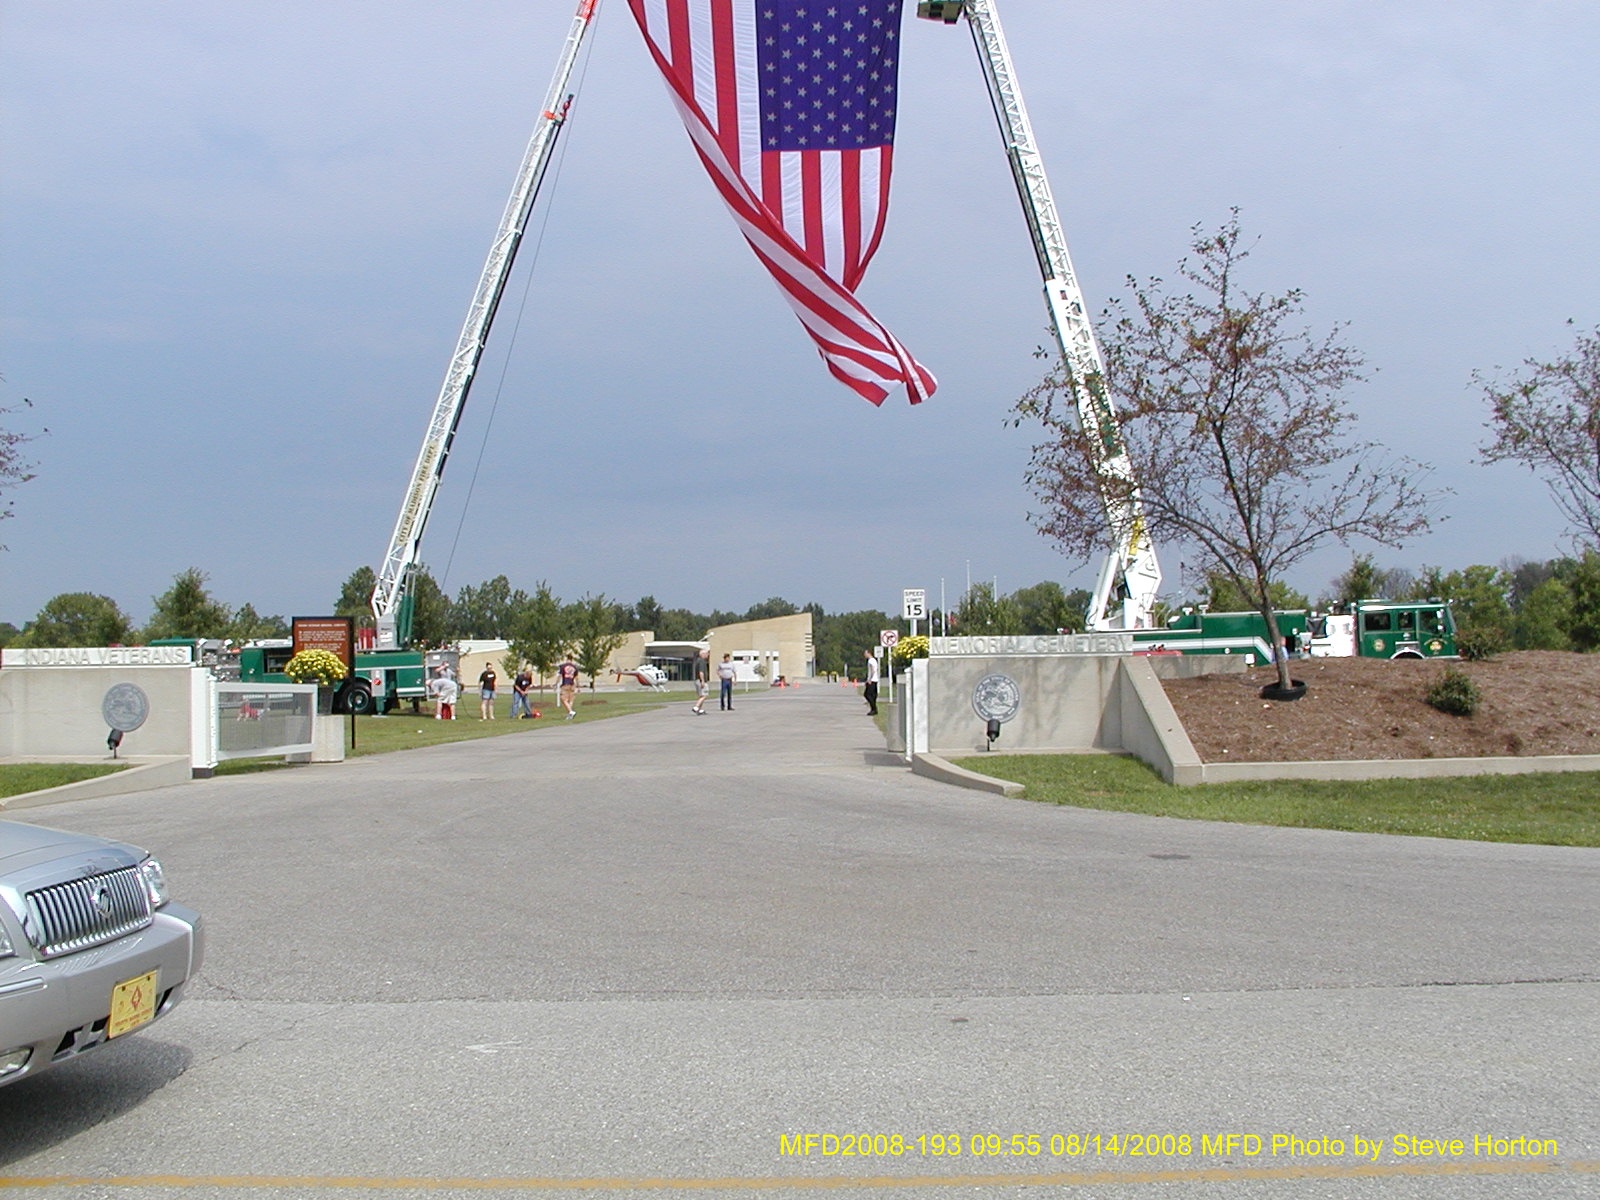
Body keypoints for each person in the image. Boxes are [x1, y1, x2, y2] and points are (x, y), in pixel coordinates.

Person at [862, 648, 880, 716]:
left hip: (872, 680)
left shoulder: (871, 661)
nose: (864, 655)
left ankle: (874, 708)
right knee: (873, 695)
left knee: (867, 694)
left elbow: (873, 670)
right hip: (875, 680)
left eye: (865, 653)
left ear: (869, 653)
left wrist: (869, 679)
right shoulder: (874, 660)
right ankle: (873, 709)